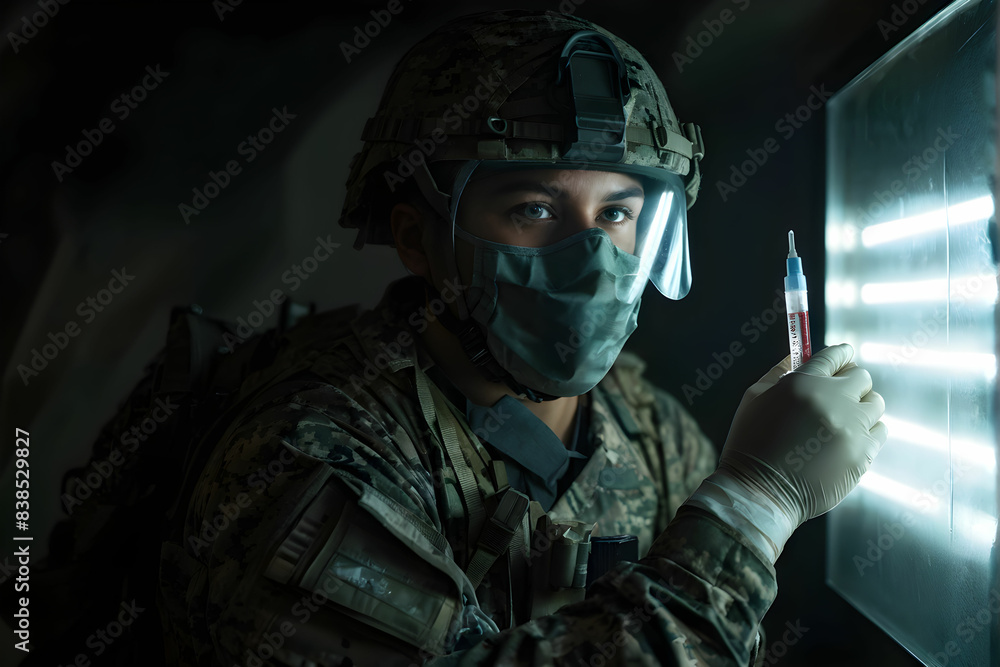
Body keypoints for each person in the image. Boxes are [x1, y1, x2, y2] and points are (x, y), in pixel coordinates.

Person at [157, 9, 888, 666]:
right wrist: (755, 503)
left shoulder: (652, 431)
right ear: (418, 237)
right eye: (535, 210)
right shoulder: (309, 456)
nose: (591, 258)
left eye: (616, 214)